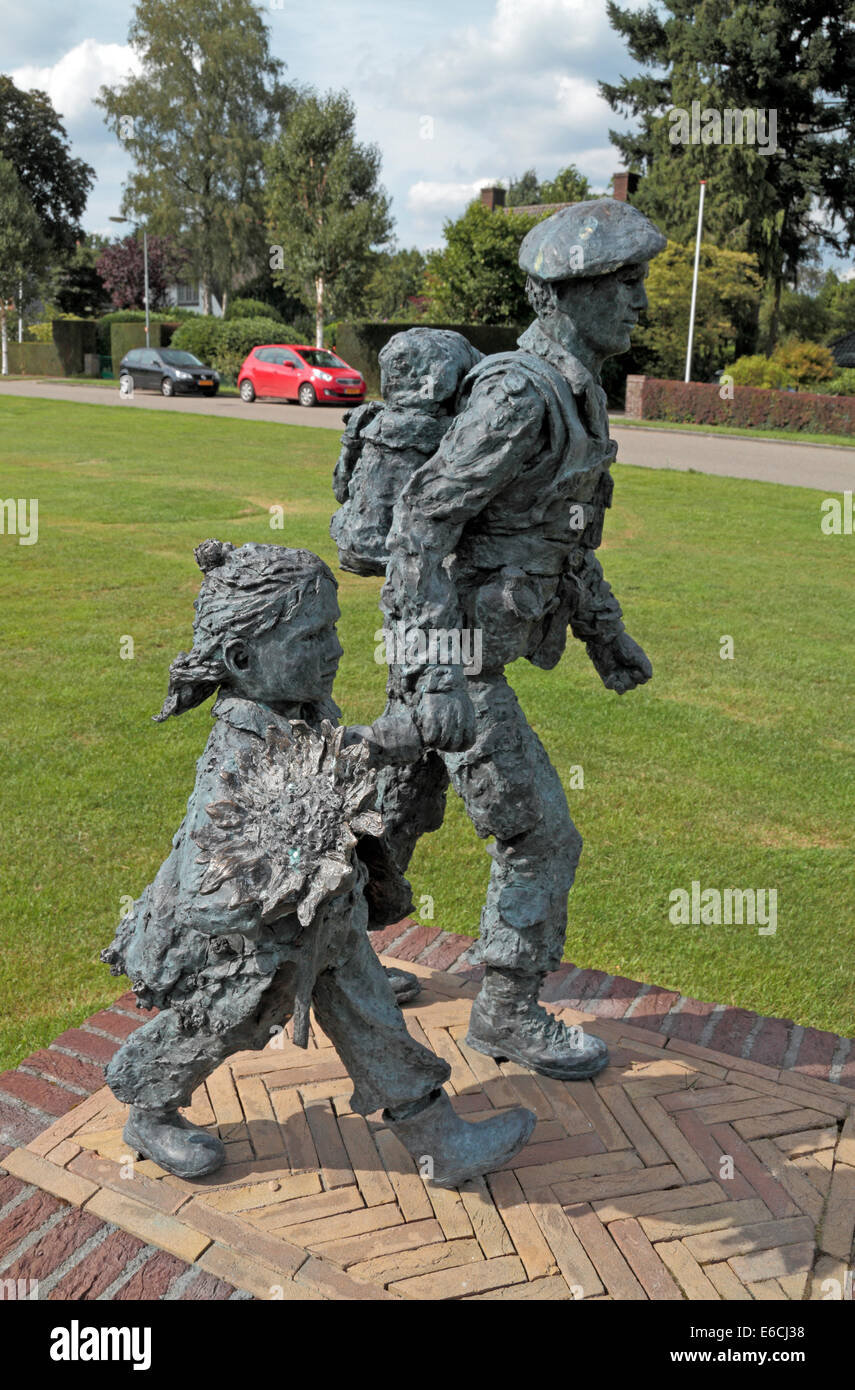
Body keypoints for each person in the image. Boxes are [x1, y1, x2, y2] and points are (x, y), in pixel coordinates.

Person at [101, 539, 535, 1184]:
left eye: (333, 630)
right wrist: (296, 872)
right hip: (252, 950)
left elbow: (323, 758)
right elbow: (203, 893)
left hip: (326, 928)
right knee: (220, 1025)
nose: (334, 650)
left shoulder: (296, 711)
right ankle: (148, 1105)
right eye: (312, 637)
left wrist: (386, 744)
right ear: (242, 659)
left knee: (370, 1018)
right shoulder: (237, 758)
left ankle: (438, 1141)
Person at [375, 198, 667, 1081]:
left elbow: (562, 541)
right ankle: (504, 1010)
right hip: (454, 664)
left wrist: (606, 640)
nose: (639, 302)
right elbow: (420, 523)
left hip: (456, 660)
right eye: (619, 283)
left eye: (638, 281)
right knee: (540, 833)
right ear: (556, 295)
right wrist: (435, 677)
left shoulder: (578, 398)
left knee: (391, 816)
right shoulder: (517, 395)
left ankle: (324, 956)